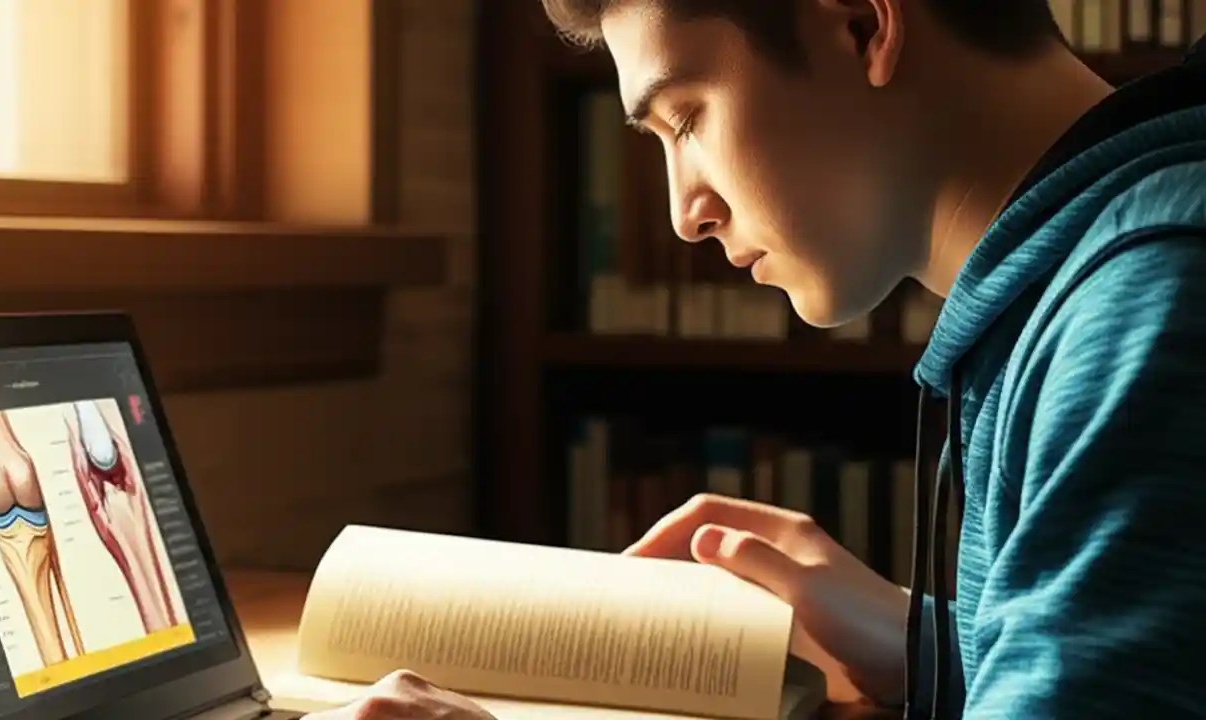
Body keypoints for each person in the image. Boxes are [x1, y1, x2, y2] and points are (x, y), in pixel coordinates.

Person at [315, 0, 1206, 718]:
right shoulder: (1089, 262)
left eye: (688, 118)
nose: (682, 213)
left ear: (863, 24)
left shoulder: (1150, 299)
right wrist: (939, 647)